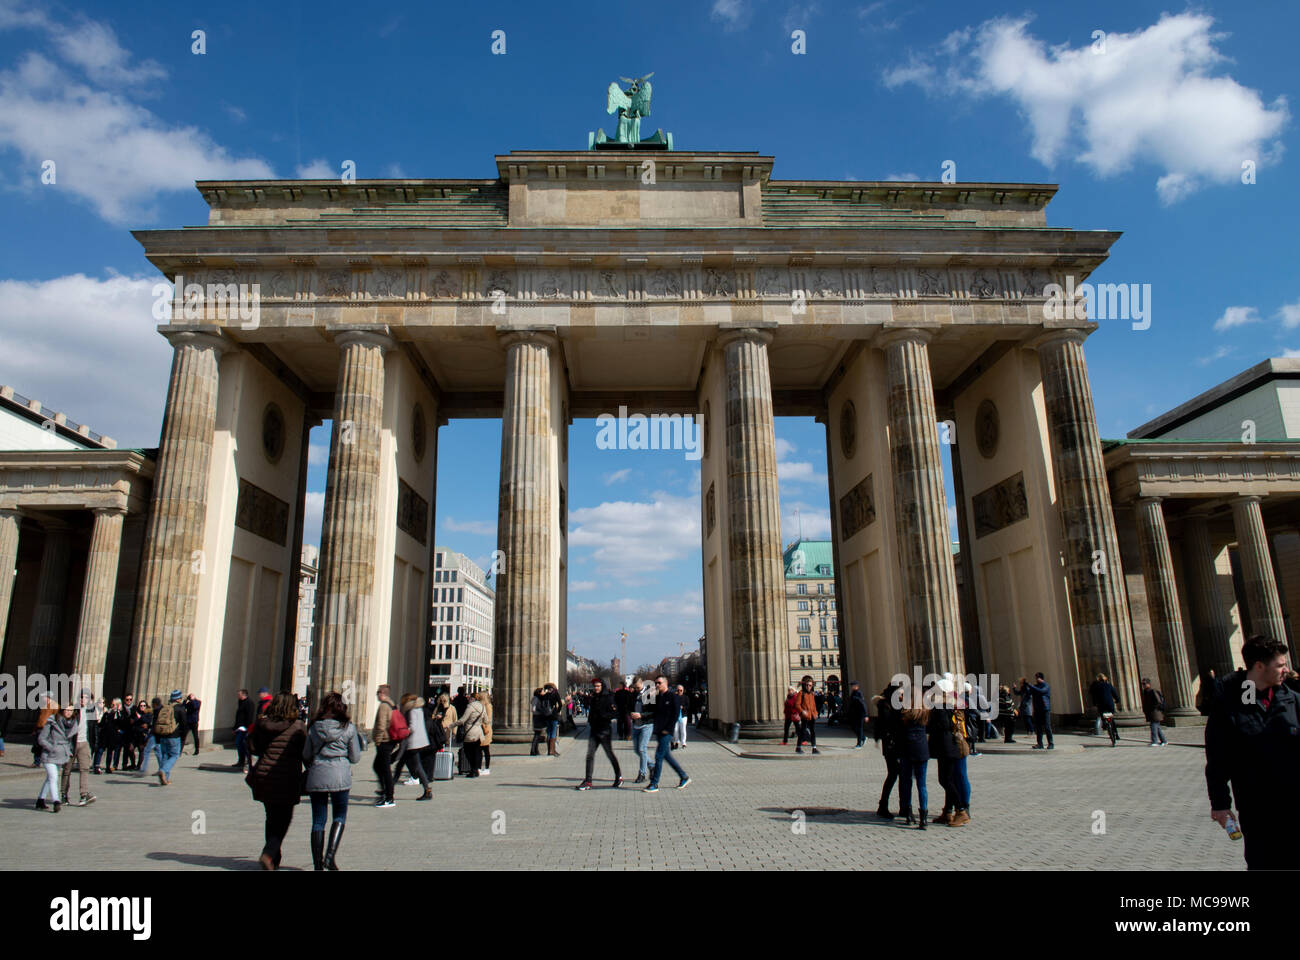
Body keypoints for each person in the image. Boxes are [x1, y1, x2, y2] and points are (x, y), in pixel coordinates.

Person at [1206, 634, 1300, 870]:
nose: (1285, 670)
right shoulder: (1230, 704)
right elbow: (1217, 758)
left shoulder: (1293, 700)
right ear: (1259, 666)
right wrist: (1220, 803)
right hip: (1257, 808)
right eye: (1280, 665)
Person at [247, 692, 306, 870]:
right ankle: (269, 853)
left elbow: (253, 748)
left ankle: (274, 858)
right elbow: (304, 753)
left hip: (264, 775)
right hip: (287, 777)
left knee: (271, 817)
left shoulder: (262, 724)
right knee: (284, 818)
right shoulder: (298, 727)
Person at [303, 691, 360, 870]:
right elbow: (355, 757)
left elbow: (305, 754)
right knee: (339, 816)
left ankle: (317, 865)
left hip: (317, 774)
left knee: (318, 820)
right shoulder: (349, 728)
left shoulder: (313, 727)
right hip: (340, 776)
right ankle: (330, 857)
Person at [645, 675, 690, 792]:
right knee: (666, 756)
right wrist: (649, 693)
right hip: (659, 730)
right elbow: (650, 709)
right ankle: (684, 776)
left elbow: (675, 714)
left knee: (659, 756)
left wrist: (669, 729)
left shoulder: (673, 697)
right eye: (656, 683)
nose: (657, 685)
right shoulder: (658, 697)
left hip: (667, 731)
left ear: (666, 683)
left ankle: (654, 783)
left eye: (659, 683)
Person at [577, 676, 622, 790]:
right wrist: (590, 720)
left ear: (602, 686)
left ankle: (619, 776)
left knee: (609, 754)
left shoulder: (609, 697)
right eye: (595, 686)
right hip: (594, 729)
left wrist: (604, 717)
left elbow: (615, 713)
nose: (596, 688)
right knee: (590, 755)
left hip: (604, 730)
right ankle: (588, 781)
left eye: (598, 686)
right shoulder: (594, 697)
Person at [35, 702, 75, 813]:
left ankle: (40, 800)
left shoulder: (71, 723)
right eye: (67, 710)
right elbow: (41, 738)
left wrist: (69, 751)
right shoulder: (52, 721)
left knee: (50, 779)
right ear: (62, 710)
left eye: (71, 710)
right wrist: (51, 747)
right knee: (53, 777)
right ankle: (56, 801)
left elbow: (69, 740)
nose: (69, 712)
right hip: (49, 755)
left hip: (61, 755)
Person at [61, 689, 97, 806]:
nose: (83, 699)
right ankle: (64, 795)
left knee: (85, 769)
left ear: (90, 699)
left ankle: (83, 795)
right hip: (72, 743)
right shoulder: (73, 710)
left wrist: (94, 744)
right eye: (81, 697)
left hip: (84, 743)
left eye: (86, 697)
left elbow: (93, 728)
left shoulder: (91, 711)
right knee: (67, 770)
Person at [897, 701, 929, 829]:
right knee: (922, 784)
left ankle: (909, 814)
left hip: (907, 749)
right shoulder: (925, 712)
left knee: (906, 781)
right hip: (921, 749)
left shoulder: (904, 713)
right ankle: (924, 818)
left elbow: (899, 732)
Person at [874, 681, 902, 818]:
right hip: (893, 745)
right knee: (893, 774)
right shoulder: (888, 707)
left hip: (893, 744)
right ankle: (883, 805)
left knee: (898, 775)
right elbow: (889, 725)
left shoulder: (886, 705)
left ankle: (903, 806)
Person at [398, 694, 432, 799]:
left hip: (412, 742)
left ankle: (387, 790)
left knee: (404, 764)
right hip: (419, 741)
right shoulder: (419, 710)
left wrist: (404, 732)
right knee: (415, 765)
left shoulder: (411, 711)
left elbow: (412, 727)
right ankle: (427, 789)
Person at [371, 684, 398, 807]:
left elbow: (381, 725)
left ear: (382, 693)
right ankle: (385, 792)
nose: (377, 695)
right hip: (390, 740)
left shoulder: (383, 706)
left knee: (384, 769)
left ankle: (389, 797)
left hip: (384, 741)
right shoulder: (392, 704)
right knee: (379, 766)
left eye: (377, 692)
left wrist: (377, 740)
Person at [153, 690, 187, 785]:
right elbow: (184, 724)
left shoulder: (164, 707)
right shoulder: (180, 709)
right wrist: (183, 736)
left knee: (165, 755)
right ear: (179, 699)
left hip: (163, 735)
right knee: (174, 755)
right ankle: (163, 770)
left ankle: (165, 779)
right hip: (174, 736)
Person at [629, 677, 656, 783]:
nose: (636, 689)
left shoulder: (649, 693)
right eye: (635, 688)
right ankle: (651, 765)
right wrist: (630, 713)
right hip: (636, 725)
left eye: (638, 687)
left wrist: (641, 715)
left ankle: (642, 774)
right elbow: (630, 706)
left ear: (642, 684)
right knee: (637, 750)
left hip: (647, 725)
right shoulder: (634, 694)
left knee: (642, 749)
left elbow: (653, 712)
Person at [458, 691, 488, 778]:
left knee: (468, 750)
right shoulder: (483, 707)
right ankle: (476, 769)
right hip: (478, 732)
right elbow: (486, 720)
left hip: (470, 731)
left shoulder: (471, 707)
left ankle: (473, 769)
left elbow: (463, 719)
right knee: (477, 751)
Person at [95, 698, 125, 773]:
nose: (111, 706)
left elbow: (121, 722)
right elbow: (102, 723)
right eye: (111, 704)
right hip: (105, 734)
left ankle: (108, 766)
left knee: (110, 751)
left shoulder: (119, 714)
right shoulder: (108, 713)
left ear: (118, 705)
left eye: (113, 705)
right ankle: (97, 765)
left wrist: (117, 711)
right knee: (101, 750)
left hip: (113, 735)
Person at [1025, 672, 1053, 749]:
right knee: (1038, 727)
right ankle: (1040, 744)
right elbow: (1029, 694)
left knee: (1047, 727)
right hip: (1037, 709)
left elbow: (1041, 691)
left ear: (1041, 678)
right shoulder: (1035, 686)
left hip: (1045, 708)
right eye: (1036, 677)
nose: (1036, 679)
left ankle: (1051, 743)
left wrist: (1030, 686)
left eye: (1037, 677)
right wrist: (1026, 687)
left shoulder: (1046, 686)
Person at [794, 675, 819, 754]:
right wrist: (802, 712)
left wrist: (816, 713)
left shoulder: (811, 694)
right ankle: (798, 747)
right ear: (804, 685)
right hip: (805, 716)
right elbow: (797, 705)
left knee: (813, 731)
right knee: (802, 731)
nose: (808, 687)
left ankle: (814, 748)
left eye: (810, 685)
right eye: (807, 685)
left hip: (812, 715)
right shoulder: (801, 693)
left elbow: (814, 705)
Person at [135, 698, 160, 776]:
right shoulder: (159, 711)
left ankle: (143, 770)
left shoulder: (155, 712)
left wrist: (148, 726)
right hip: (157, 734)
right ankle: (163, 769)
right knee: (158, 752)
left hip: (154, 734)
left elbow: (154, 723)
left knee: (146, 750)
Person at [1141, 678, 1168, 746]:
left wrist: (1153, 708)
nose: (1143, 685)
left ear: (1148, 684)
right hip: (1151, 711)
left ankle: (1154, 741)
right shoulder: (1146, 691)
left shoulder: (1153, 691)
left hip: (1155, 711)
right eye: (1142, 684)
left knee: (1153, 726)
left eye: (1144, 684)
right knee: (1157, 727)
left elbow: (1158, 701)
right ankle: (1164, 741)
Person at [232, 688, 254, 770]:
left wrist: (248, 728)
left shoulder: (249, 703)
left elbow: (249, 716)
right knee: (239, 744)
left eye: (239, 694)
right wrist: (235, 727)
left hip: (245, 728)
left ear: (244, 695)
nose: (238, 696)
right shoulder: (240, 702)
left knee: (242, 744)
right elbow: (238, 716)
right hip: (239, 727)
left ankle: (247, 760)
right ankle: (241, 760)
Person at [475, 692, 493, 775]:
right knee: (478, 750)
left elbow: (487, 719)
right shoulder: (480, 706)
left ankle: (486, 768)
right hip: (479, 729)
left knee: (485, 749)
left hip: (485, 729)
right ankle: (478, 767)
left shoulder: (488, 706)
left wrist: (482, 723)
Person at [846, 681, 868, 748]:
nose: (852, 687)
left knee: (859, 728)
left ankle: (859, 744)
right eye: (851, 685)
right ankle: (863, 738)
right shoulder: (853, 693)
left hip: (860, 713)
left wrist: (866, 715)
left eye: (853, 685)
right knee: (853, 727)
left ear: (856, 686)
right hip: (854, 714)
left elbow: (863, 704)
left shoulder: (859, 693)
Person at [673, 684, 688, 749]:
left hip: (683, 716)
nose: (679, 691)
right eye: (678, 690)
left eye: (681, 690)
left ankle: (683, 743)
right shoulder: (674, 697)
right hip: (675, 716)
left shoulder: (686, 697)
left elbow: (688, 706)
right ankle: (676, 741)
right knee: (675, 730)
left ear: (683, 691)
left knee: (683, 730)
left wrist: (683, 707)